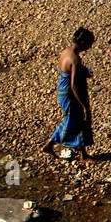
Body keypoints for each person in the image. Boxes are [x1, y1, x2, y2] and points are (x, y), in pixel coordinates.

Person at [43, 28, 95, 162]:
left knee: (72, 120)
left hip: (62, 91)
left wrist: (83, 72)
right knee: (76, 121)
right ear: (83, 42)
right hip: (70, 95)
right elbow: (74, 86)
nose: (90, 47)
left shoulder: (66, 52)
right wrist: (84, 104)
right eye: (89, 44)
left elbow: (68, 71)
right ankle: (81, 155)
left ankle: (81, 153)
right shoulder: (75, 59)